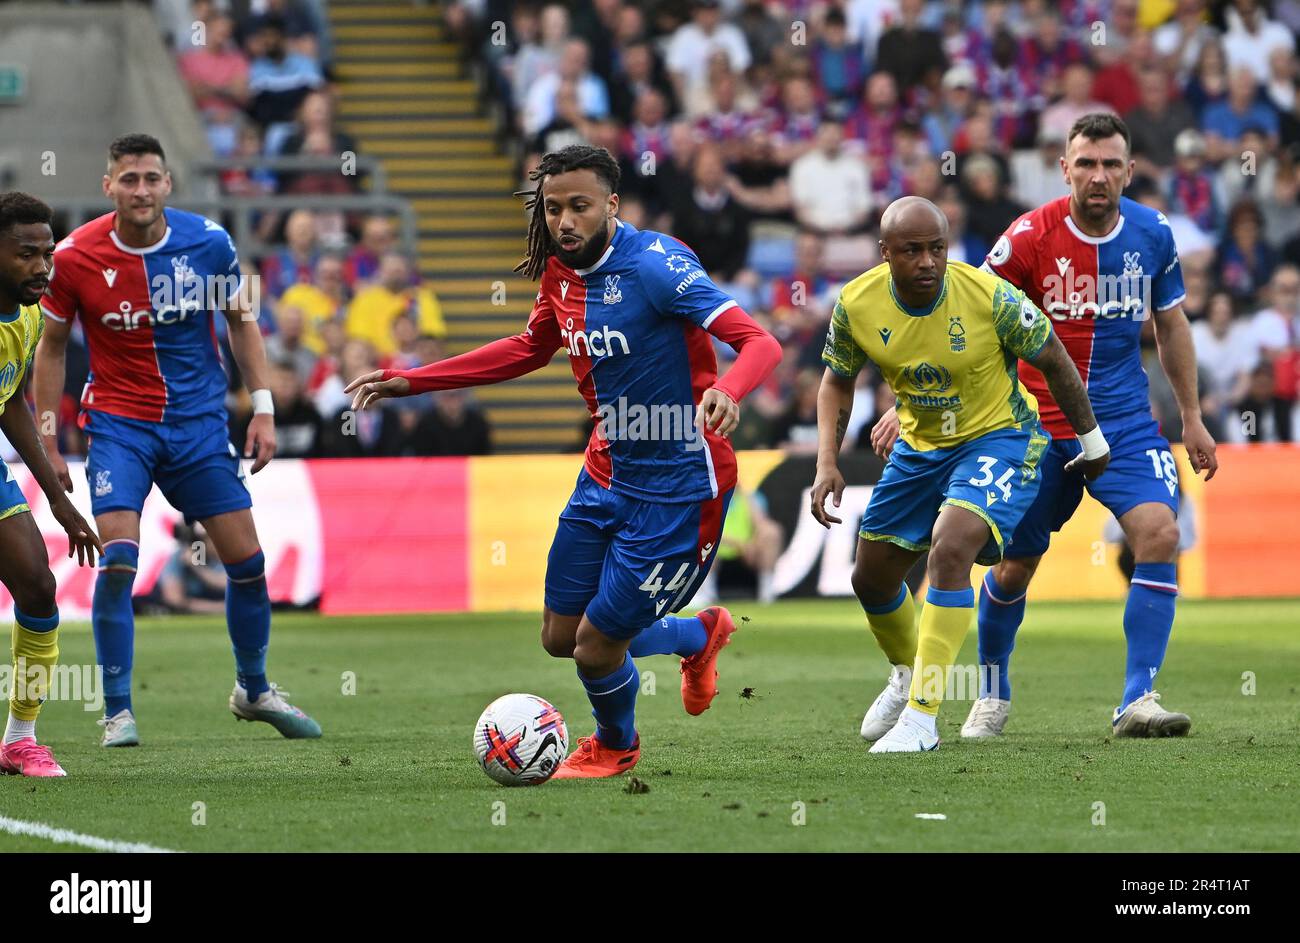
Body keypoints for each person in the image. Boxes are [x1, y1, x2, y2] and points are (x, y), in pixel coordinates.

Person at [346, 145, 782, 778]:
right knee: (560, 637)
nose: (564, 222)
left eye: (579, 206)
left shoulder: (657, 266)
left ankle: (616, 744)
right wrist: (415, 381)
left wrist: (729, 390)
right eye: (553, 209)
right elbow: (528, 348)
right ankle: (697, 634)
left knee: (595, 648)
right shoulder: (559, 272)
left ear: (611, 203)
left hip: (681, 486)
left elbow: (758, 342)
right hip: (603, 475)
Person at [875, 114, 1219, 739]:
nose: (1098, 176)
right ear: (1064, 169)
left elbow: (1170, 325)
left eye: (1111, 164)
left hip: (1123, 424)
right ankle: (992, 690)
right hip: (1032, 425)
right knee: (1015, 566)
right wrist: (913, 405)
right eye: (1086, 163)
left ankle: (1137, 698)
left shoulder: (1154, 233)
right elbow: (963, 316)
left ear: (1130, 171)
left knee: (1160, 533)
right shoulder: (1028, 237)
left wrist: (1192, 417)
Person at [35, 134, 320, 748]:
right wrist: (49, 439)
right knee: (117, 561)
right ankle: (117, 712)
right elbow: (51, 348)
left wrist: (263, 407)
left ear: (168, 184)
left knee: (247, 564)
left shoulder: (209, 244)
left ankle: (253, 688)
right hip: (118, 427)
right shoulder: (74, 257)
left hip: (199, 427)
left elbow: (242, 322)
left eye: (152, 179)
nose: (141, 189)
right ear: (108, 185)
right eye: (129, 178)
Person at [812, 196, 1107, 754]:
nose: (927, 261)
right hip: (921, 447)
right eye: (912, 250)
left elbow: (1054, 358)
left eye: (937, 248)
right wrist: (827, 461)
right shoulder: (856, 302)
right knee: (870, 577)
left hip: (1000, 437)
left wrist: (1093, 442)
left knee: (951, 549)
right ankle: (906, 675)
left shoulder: (988, 295)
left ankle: (923, 716)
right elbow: (836, 380)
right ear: (886, 254)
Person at [0, 192, 103, 777]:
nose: (42, 267)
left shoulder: (30, 314)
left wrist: (62, 505)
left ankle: (19, 740)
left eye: (47, 254)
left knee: (38, 587)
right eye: (25, 255)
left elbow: (11, 399)